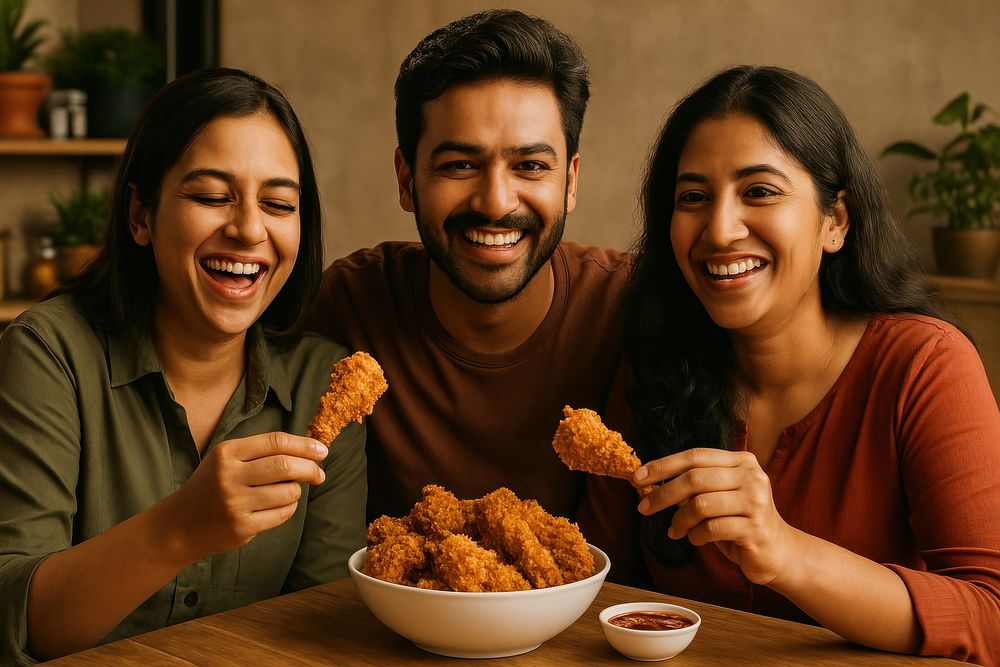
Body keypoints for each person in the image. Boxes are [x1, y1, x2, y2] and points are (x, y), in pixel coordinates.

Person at [602, 65, 1000, 663]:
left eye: (759, 191)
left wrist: (786, 553)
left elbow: (991, 617)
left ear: (834, 221)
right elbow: (593, 580)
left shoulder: (924, 365)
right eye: (693, 197)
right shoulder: (656, 365)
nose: (720, 228)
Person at [0, 68, 367, 664]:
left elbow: (321, 621)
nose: (249, 229)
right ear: (141, 216)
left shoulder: (322, 387)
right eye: (211, 197)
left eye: (277, 204)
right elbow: (16, 626)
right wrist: (177, 530)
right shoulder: (48, 355)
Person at [307, 9, 630, 526]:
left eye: (530, 166)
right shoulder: (348, 306)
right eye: (460, 165)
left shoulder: (632, 306)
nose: (495, 201)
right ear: (407, 179)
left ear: (570, 182)